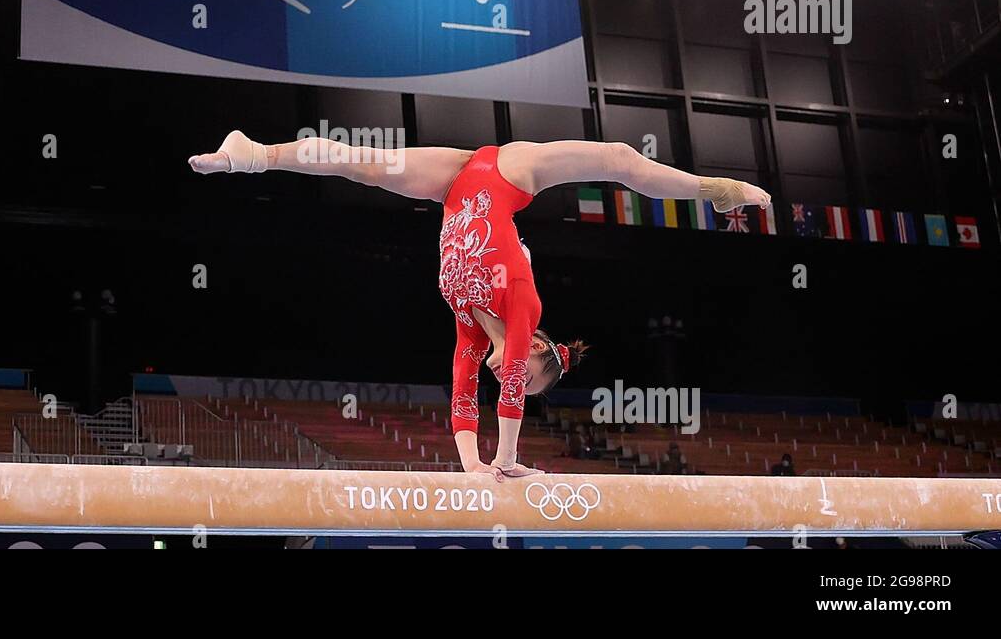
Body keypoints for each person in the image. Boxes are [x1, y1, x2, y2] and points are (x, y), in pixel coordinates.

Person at [189, 130, 770, 481]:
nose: (505, 376)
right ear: (538, 348)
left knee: (358, 164)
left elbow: (464, 396)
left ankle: (253, 156)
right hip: (506, 173)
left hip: (453, 184)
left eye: (523, 383)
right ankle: (718, 190)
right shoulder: (527, 314)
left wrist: (473, 465)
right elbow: (512, 380)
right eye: (534, 374)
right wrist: (508, 458)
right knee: (618, 156)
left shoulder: (469, 334)